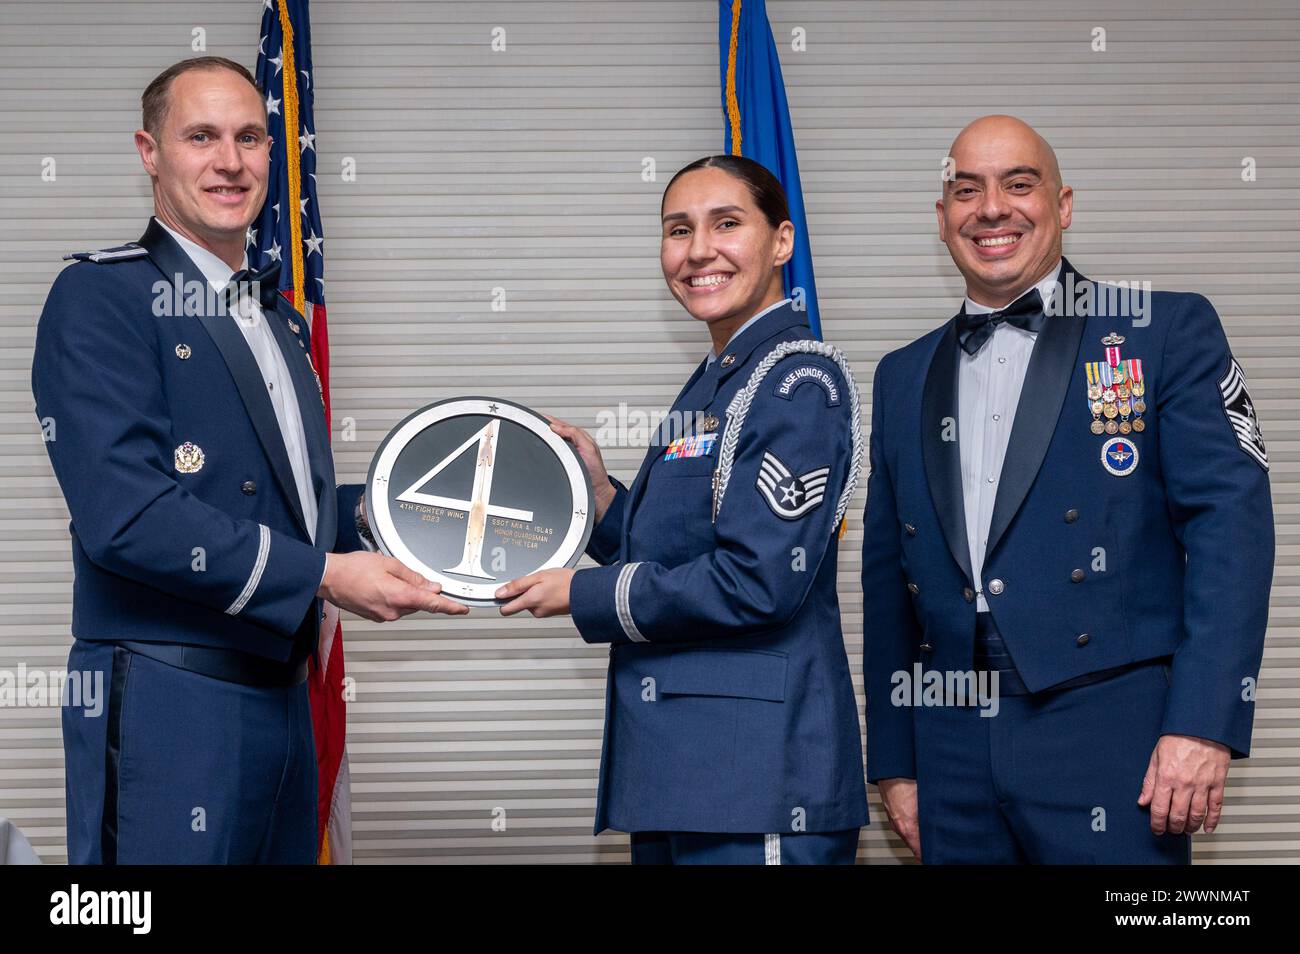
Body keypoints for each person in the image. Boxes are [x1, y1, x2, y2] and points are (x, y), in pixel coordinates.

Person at [32, 56, 466, 865]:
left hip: (279, 704)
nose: (230, 162)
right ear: (149, 151)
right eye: (201, 136)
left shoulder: (280, 321)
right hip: (171, 701)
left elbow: (286, 508)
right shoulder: (101, 298)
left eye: (250, 137)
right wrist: (327, 576)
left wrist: (436, 507)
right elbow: (127, 517)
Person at [861, 115, 1274, 863]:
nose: (991, 208)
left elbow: (1231, 531)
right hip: (948, 737)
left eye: (1019, 184)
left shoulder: (1163, 329)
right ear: (942, 217)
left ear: (1064, 203)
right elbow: (889, 581)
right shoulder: (900, 374)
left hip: (1114, 730)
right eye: (966, 189)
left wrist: (1204, 724)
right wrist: (895, 762)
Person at [495, 155, 868, 864]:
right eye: (678, 229)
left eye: (726, 224)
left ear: (781, 242)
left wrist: (584, 591)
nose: (698, 250)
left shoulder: (797, 380)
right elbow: (686, 551)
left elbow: (758, 581)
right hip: (684, 774)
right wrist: (604, 498)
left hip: (757, 777)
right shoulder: (718, 377)